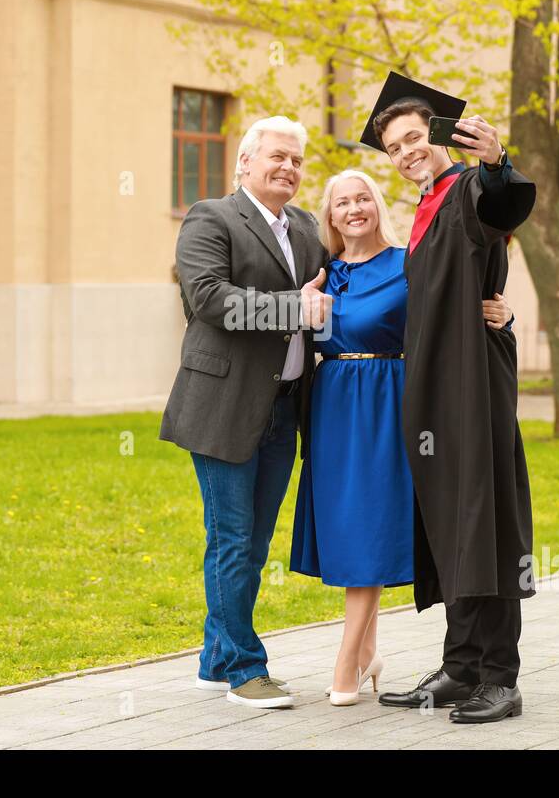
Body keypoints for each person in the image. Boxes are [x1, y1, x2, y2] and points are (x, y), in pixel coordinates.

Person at [289, 168, 514, 706]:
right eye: (342, 202)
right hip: (334, 406)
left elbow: (456, 308)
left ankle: (348, 660)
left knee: (371, 526)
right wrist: (301, 310)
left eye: (363, 197)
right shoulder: (322, 276)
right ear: (331, 215)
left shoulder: (407, 266)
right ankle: (369, 655)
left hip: (391, 401)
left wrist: (503, 316)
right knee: (347, 528)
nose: (353, 208)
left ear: (377, 205)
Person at [363, 73, 538, 724]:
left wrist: (496, 161)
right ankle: (461, 664)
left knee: (483, 519)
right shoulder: (425, 207)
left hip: (471, 381)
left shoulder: (467, 189)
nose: (406, 151)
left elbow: (505, 205)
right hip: (434, 386)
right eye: (394, 147)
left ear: (437, 138)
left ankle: (500, 675)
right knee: (449, 521)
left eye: (414, 138)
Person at [160, 116, 333, 709]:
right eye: (276, 157)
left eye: (296, 161)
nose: (288, 168)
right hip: (223, 407)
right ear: (244, 163)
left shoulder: (307, 228)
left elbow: (341, 288)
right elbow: (207, 299)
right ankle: (243, 668)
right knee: (231, 540)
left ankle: (213, 658)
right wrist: (294, 307)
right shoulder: (211, 217)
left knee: (254, 543)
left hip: (282, 412)